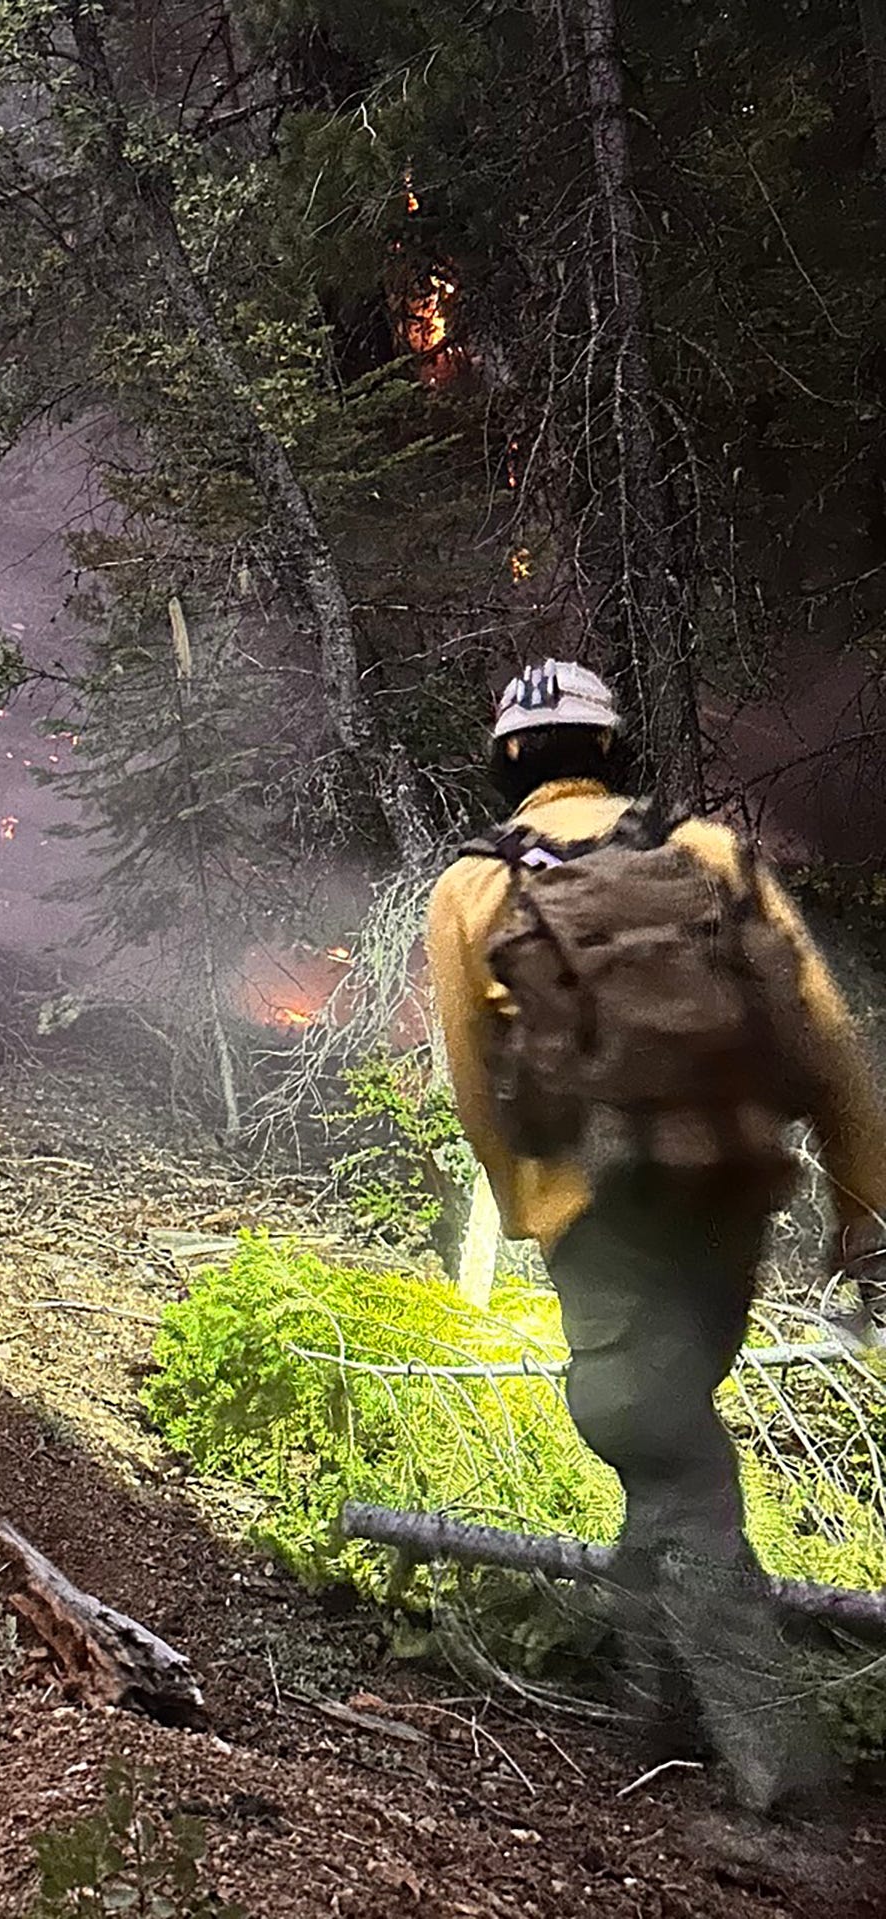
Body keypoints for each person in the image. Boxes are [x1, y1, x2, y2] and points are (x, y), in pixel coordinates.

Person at [424, 659, 886, 1817]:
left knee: (674, 1469)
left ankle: (789, 1789)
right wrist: (862, 1207)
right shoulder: (713, 854)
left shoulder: (475, 887)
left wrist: (540, 1210)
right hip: (733, 1194)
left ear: (506, 766)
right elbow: (829, 1038)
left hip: (605, 1213)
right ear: (615, 752)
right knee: (666, 1435)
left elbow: (478, 1091)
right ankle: (653, 1708)